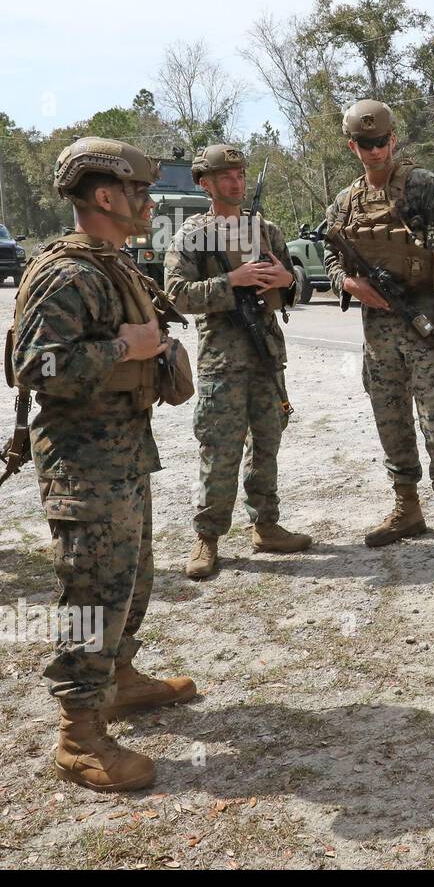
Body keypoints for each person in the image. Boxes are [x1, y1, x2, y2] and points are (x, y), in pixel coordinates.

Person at [8, 138, 197, 792]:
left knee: (130, 581)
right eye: (140, 191)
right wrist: (125, 344)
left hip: (120, 455)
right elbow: (35, 366)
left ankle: (118, 679)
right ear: (106, 197)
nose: (148, 203)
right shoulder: (70, 274)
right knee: (90, 593)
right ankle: (79, 737)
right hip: (82, 466)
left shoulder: (112, 265)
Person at [324, 100, 434, 559]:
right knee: (390, 421)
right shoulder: (347, 201)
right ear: (353, 146)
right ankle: (407, 508)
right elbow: (331, 255)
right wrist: (347, 282)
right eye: (364, 144)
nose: (373, 150)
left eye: (380, 141)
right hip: (379, 334)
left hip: (425, 325)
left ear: (393, 139)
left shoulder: (422, 187)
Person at [165, 144, 310, 580]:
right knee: (220, 450)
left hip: (267, 356)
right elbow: (175, 294)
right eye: (226, 175)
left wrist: (287, 281)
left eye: (241, 174)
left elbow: (295, 285)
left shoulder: (266, 229)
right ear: (205, 183)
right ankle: (207, 538)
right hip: (221, 361)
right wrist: (232, 281)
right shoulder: (192, 234)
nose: (236, 181)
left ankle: (265, 526)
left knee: (266, 445)